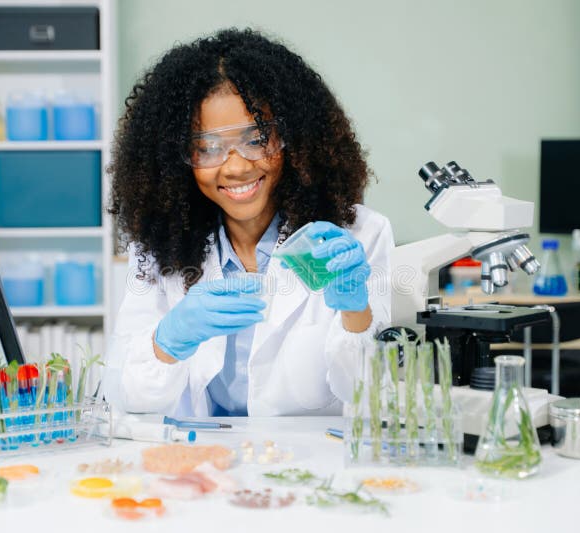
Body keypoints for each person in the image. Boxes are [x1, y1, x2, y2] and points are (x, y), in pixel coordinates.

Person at [104, 28, 394, 417]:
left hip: (307, 464)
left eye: (257, 139)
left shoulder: (359, 235)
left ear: (296, 139)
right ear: (175, 159)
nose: (237, 166)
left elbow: (368, 395)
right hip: (204, 463)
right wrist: (167, 342)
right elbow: (129, 398)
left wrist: (356, 314)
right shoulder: (161, 247)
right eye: (207, 148)